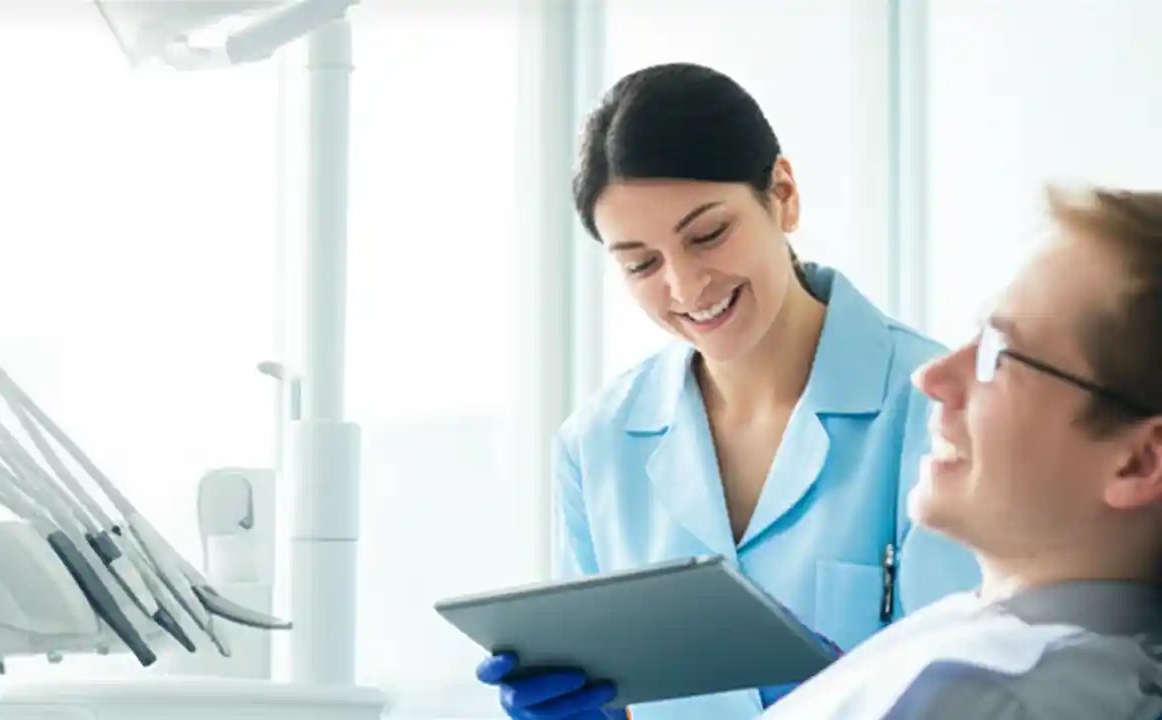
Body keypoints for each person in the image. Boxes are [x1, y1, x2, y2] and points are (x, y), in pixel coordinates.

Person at [473, 62, 980, 719]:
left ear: (784, 193)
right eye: (641, 263)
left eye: (708, 234)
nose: (686, 287)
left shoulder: (940, 411)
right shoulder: (596, 446)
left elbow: (987, 693)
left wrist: (846, 696)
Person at [762, 186, 1162, 718]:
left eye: (1000, 355)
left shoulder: (989, 695)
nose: (930, 376)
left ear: (1139, 460)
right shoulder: (1004, 649)